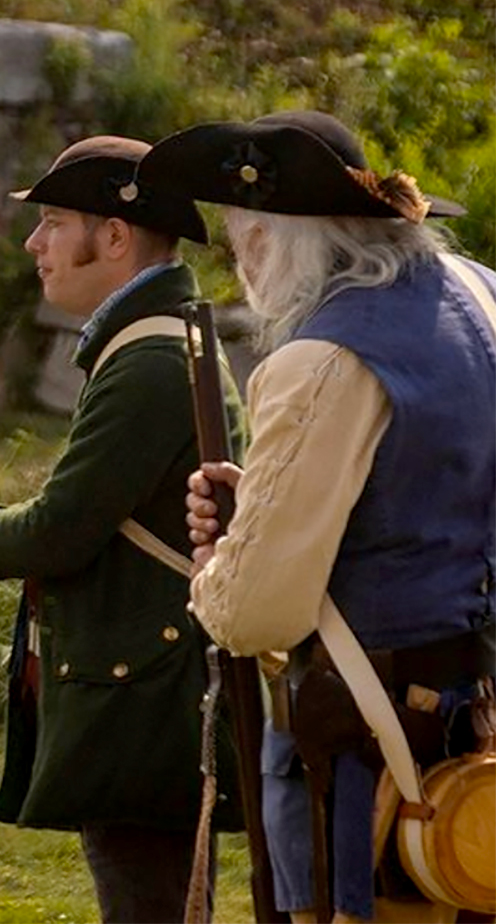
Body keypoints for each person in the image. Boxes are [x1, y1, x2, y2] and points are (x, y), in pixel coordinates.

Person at [0, 136, 239, 923]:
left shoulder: (150, 359)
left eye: (56, 220)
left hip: (146, 702)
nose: (35, 243)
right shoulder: (149, 344)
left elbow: (60, 530)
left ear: (117, 236)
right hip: (145, 688)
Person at [141, 110, 495, 923]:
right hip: (478, 718)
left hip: (370, 752)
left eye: (240, 240)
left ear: (269, 242)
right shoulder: (483, 296)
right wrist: (266, 498)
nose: (241, 264)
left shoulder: (321, 357)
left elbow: (254, 610)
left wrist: (217, 568)